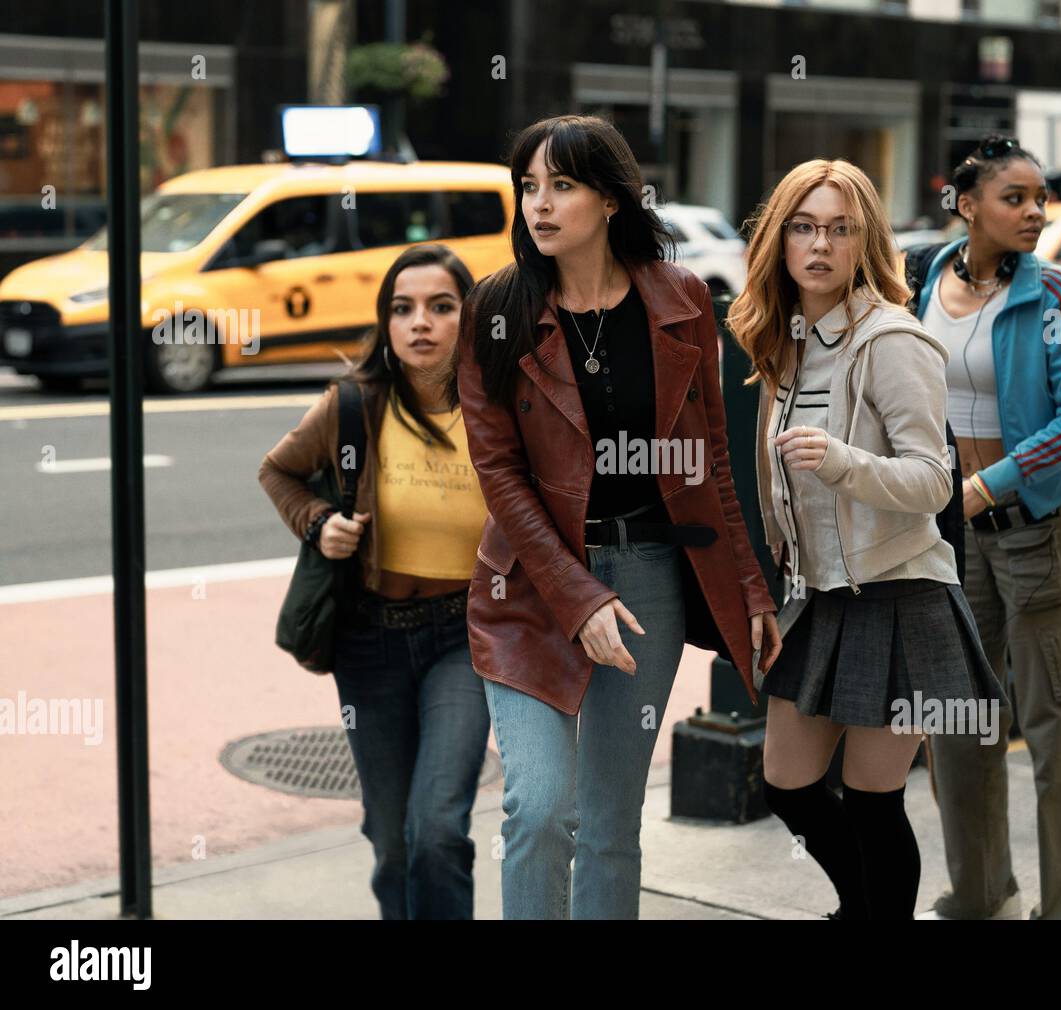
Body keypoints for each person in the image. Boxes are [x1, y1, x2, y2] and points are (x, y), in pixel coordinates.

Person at [455, 114, 780, 920]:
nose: (539, 204)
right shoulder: (496, 309)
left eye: (561, 185)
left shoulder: (679, 300)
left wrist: (751, 589)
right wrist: (577, 597)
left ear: (609, 199)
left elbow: (710, 464)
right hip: (529, 590)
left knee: (608, 823)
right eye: (528, 186)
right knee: (538, 810)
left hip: (649, 583)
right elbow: (499, 473)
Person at [728, 158, 1007, 920]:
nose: (820, 245)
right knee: (787, 782)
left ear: (866, 242)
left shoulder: (893, 340)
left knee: (874, 798)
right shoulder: (784, 342)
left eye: (841, 229)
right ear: (780, 240)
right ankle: (865, 910)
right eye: (804, 227)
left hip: (900, 593)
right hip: (817, 597)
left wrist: (843, 463)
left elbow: (933, 482)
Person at [913, 135, 1061, 920]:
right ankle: (980, 892)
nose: (1035, 212)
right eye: (1015, 198)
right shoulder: (930, 277)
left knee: (1058, 733)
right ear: (968, 206)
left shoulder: (1058, 294)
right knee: (958, 730)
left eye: (1041, 198)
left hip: (1038, 536)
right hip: (952, 540)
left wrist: (984, 485)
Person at [258, 244, 491, 919]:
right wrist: (318, 521)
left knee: (439, 831)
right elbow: (278, 471)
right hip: (370, 642)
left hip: (463, 640)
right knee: (391, 842)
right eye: (402, 308)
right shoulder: (353, 406)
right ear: (386, 323)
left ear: (468, 320)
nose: (420, 322)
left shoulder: (500, 410)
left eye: (441, 307)